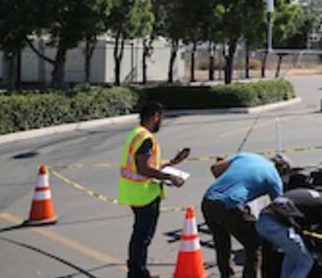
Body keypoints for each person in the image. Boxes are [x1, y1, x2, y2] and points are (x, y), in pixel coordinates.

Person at [118, 101, 190, 278]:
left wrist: (173, 162)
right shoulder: (145, 139)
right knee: (143, 237)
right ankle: (138, 273)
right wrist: (170, 177)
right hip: (144, 194)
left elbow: (151, 164)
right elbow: (143, 168)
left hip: (135, 192)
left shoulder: (136, 133)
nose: (161, 123)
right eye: (162, 119)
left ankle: (136, 269)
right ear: (155, 116)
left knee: (139, 235)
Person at [202, 153, 291, 278]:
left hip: (208, 201)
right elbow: (279, 209)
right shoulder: (274, 177)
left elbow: (215, 168)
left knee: (222, 244)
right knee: (254, 243)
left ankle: (226, 275)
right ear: (282, 169)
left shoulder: (246, 156)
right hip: (230, 205)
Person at [256, 187, 322, 278]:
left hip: (262, 220)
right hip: (278, 225)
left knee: (293, 256)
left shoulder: (312, 195)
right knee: (305, 262)